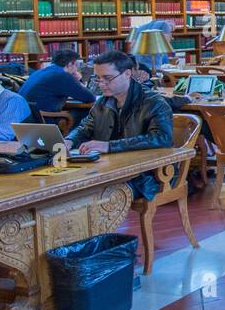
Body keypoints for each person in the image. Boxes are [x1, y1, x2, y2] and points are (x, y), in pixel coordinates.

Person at [65, 50, 174, 200]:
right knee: (69, 189)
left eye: (107, 78)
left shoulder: (154, 102)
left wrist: (109, 146)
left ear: (128, 74)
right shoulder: (102, 102)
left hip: (144, 176)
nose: (101, 84)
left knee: (95, 197)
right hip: (109, 169)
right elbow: (85, 128)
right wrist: (69, 140)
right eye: (98, 78)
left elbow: (161, 138)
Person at [19, 49, 95, 116]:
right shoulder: (62, 75)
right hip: (45, 119)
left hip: (27, 118)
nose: (77, 68)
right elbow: (90, 97)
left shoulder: (40, 72)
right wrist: (78, 79)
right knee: (87, 113)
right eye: (76, 65)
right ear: (70, 64)